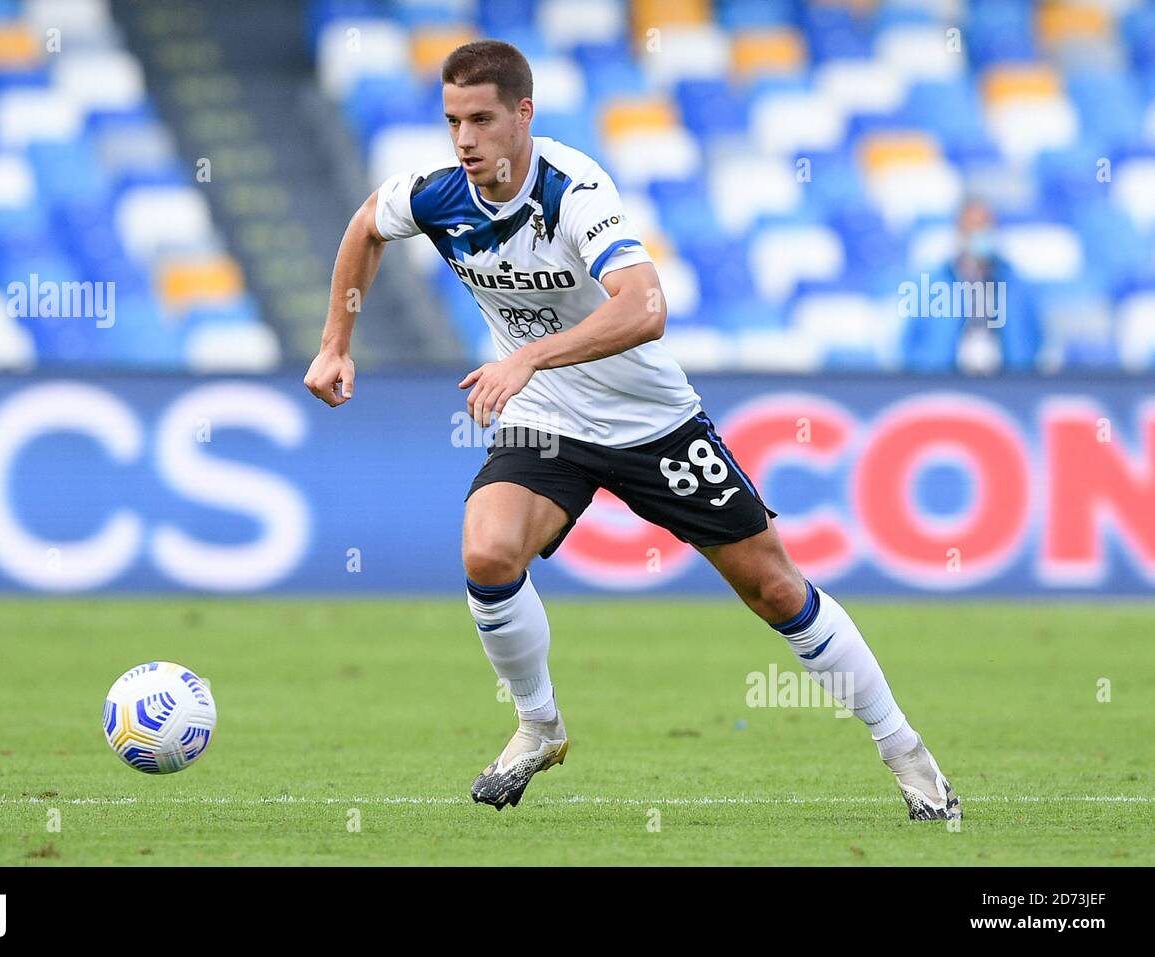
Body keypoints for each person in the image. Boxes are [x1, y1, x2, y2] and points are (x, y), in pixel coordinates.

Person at [304, 40, 959, 819]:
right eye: (452, 121)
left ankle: (907, 754)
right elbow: (365, 228)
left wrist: (530, 357)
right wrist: (335, 342)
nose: (465, 139)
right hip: (547, 416)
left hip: (649, 420)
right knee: (487, 548)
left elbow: (647, 307)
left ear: (524, 114)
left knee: (773, 585)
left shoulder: (574, 189)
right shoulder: (436, 193)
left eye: (481, 119)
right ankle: (538, 725)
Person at [902, 199, 1041, 374]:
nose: (980, 233)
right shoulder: (932, 286)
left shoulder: (1016, 286)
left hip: (1006, 384)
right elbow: (911, 344)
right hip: (946, 385)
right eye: (972, 227)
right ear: (959, 232)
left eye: (985, 226)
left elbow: (1033, 338)